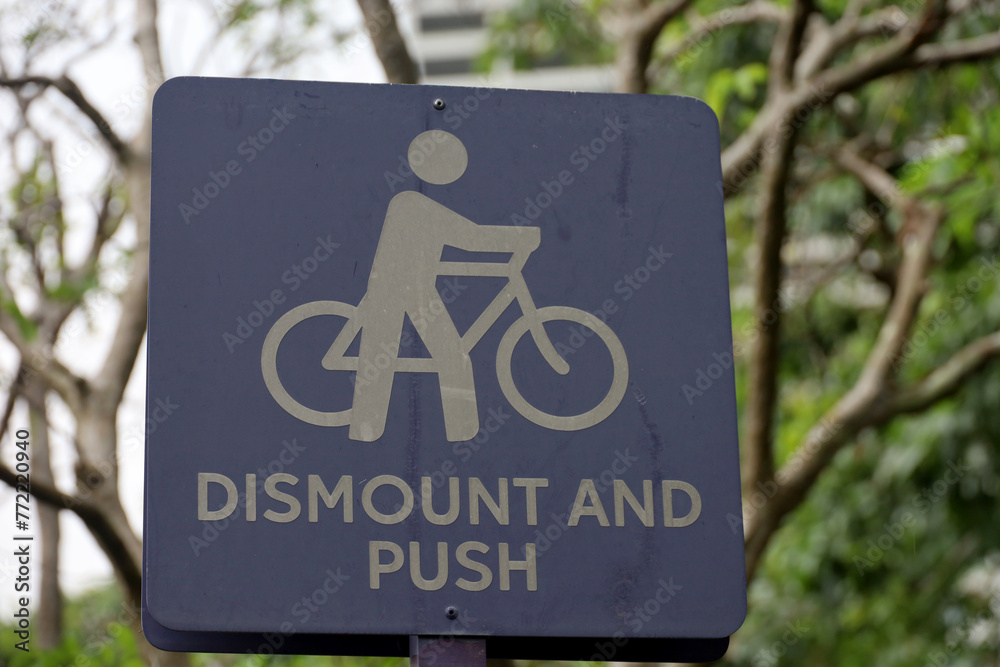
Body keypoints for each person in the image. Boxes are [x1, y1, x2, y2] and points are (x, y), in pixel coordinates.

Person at [322, 130, 540, 442]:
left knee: (383, 360)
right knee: (443, 358)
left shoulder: (415, 202)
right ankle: (462, 435)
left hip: (409, 285)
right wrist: (522, 238)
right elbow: (469, 237)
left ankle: (372, 433)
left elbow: (465, 235)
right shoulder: (412, 202)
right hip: (401, 288)